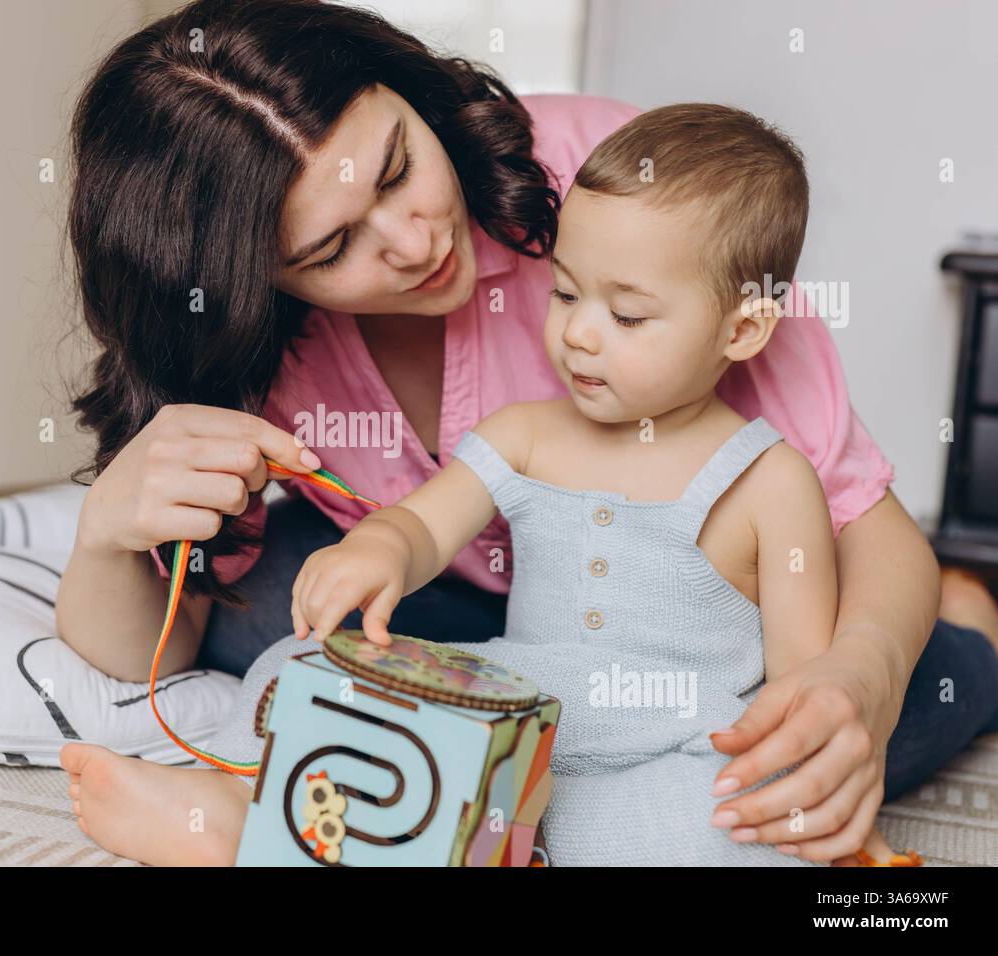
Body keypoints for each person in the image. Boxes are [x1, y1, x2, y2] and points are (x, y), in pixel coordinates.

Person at [55, 0, 998, 865]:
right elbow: (157, 651)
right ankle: (275, 807)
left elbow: (859, 531)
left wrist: (854, 689)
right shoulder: (263, 354)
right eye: (331, 249)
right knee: (279, 633)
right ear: (249, 291)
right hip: (495, 621)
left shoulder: (614, 194)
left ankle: (972, 628)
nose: (416, 240)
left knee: (808, 750)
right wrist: (109, 527)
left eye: (396, 168)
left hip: (700, 653)